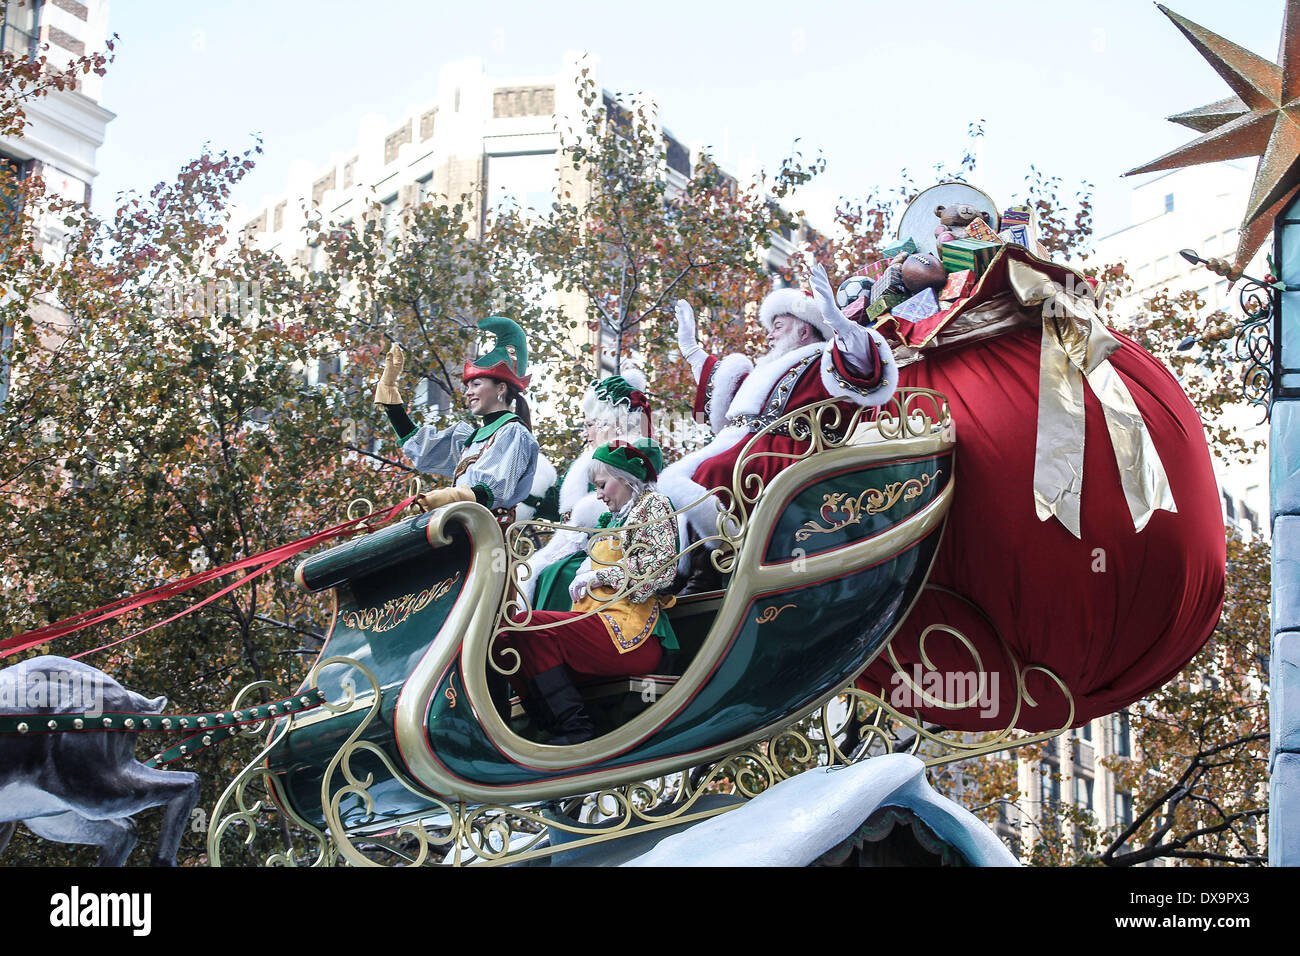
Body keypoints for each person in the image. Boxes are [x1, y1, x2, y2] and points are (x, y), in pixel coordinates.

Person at [662, 264, 899, 545]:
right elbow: (730, 390)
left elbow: (861, 363)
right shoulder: (769, 367)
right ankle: (697, 564)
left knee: (717, 469)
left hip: (794, 452)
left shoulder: (824, 360)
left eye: (777, 326)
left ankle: (720, 560)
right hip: (747, 446)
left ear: (802, 330)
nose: (770, 335)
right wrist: (691, 350)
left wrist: (839, 323)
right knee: (694, 474)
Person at [496, 440, 680, 745]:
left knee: (524, 625)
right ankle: (543, 732)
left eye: (602, 484)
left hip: (629, 635)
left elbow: (662, 569)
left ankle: (576, 731)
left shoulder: (654, 504)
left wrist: (601, 575)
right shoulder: (617, 520)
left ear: (625, 477)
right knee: (503, 638)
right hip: (597, 627)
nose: (597, 494)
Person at [374, 316, 540, 524]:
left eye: (476, 384)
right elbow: (425, 448)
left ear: (501, 388)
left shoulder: (513, 432)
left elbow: (491, 490)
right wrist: (389, 393)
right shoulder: (472, 439)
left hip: (488, 537)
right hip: (466, 529)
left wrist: (448, 497)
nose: (468, 393)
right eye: (467, 387)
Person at [520, 370, 657, 610]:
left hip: (613, 548)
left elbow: (633, 503)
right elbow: (560, 510)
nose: (585, 433)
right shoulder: (585, 463)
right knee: (524, 572)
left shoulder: (636, 452)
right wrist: (528, 494)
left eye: (589, 425)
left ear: (612, 422)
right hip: (573, 544)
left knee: (560, 574)